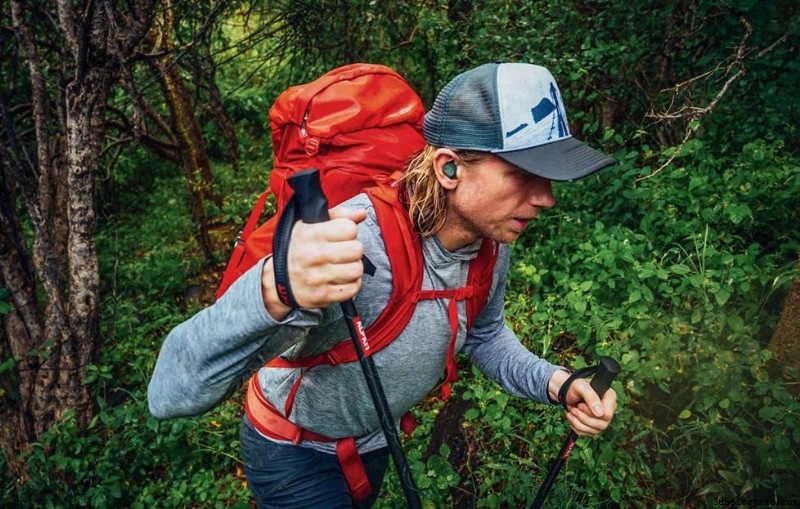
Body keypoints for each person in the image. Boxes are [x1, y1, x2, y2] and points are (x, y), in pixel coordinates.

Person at [148, 62, 619, 508]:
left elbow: (484, 334)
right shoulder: (351, 247)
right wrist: (276, 289)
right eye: (522, 175)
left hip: (376, 442)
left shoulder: (490, 242)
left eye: (549, 178)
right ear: (449, 168)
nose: (546, 199)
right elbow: (169, 393)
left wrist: (558, 384)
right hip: (293, 453)